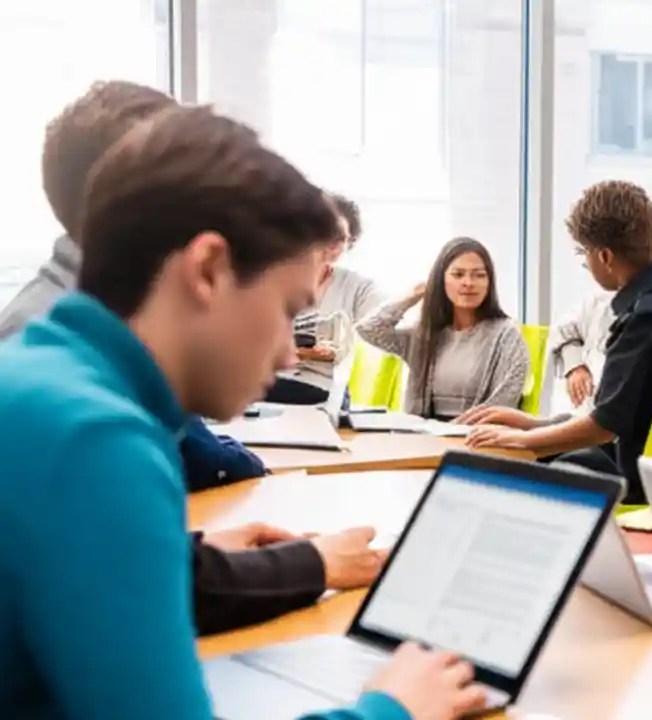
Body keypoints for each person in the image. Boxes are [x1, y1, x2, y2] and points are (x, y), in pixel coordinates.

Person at [0, 105, 485, 718]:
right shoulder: (98, 442)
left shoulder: (35, 379)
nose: (288, 354)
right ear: (207, 270)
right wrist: (392, 708)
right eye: (287, 308)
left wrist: (174, 553)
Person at [0, 80, 381, 636]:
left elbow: (90, 570)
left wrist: (183, 553)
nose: (284, 354)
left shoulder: (55, 352)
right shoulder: (93, 418)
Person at [460, 180, 652, 504]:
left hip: (641, 482)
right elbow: (626, 413)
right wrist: (533, 424)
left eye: (585, 254)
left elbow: (604, 427)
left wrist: (524, 439)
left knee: (510, 469)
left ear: (605, 256)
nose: (586, 264)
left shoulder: (647, 320)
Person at [356, 236, 529, 419]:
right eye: (458, 274)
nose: (468, 283)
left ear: (489, 282)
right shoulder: (424, 335)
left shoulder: (506, 334)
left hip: (476, 438)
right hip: (425, 436)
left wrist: (452, 432)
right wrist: (412, 296)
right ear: (440, 280)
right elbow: (369, 330)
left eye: (479, 275)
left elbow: (505, 402)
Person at [267, 192, 386, 405]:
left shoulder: (358, 287)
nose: (332, 245)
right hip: (269, 384)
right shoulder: (270, 279)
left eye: (341, 238)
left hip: (324, 388)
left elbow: (382, 323)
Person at [547, 290, 615, 414]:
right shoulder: (599, 299)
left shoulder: (650, 310)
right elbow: (564, 330)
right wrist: (575, 365)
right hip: (583, 412)